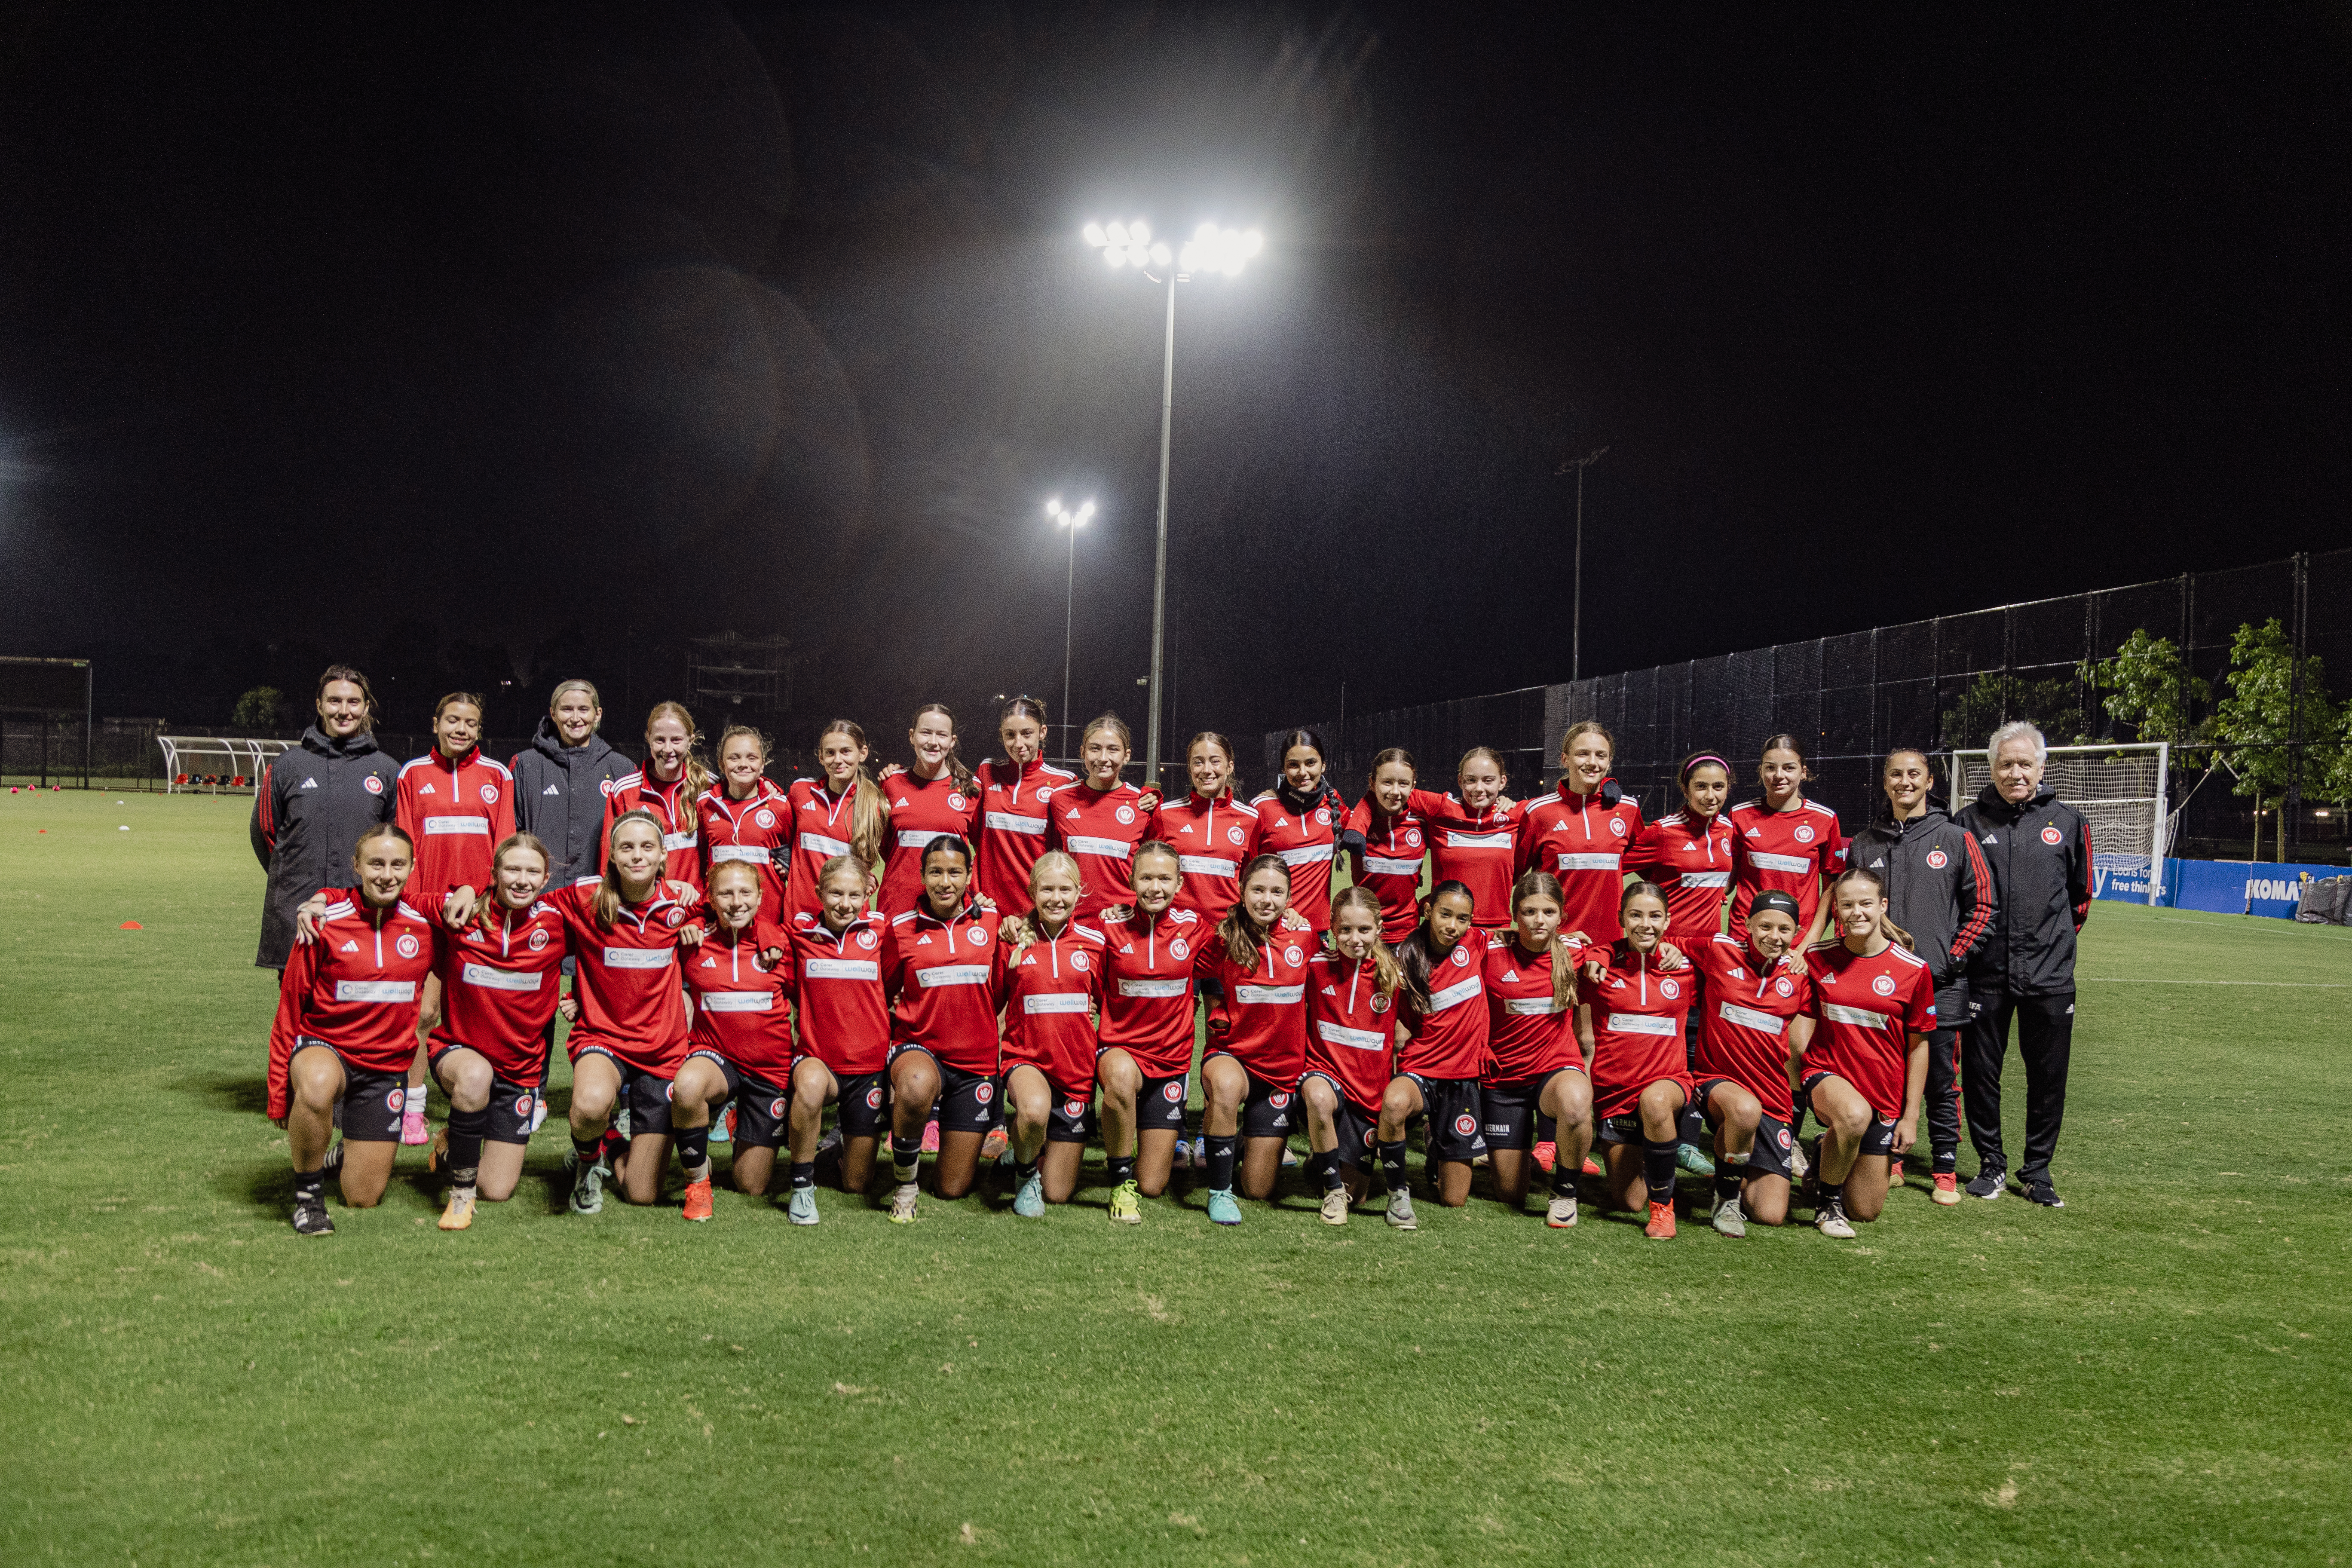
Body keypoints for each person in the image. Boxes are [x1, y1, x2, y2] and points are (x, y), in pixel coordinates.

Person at [1842, 747, 1995, 1202]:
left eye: (1914, 774)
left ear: (1930, 782)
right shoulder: (1865, 843)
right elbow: (1849, 909)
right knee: (1882, 1074)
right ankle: (1889, 1157)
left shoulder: (1954, 837)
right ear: (1885, 781)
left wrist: (1949, 961)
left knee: (1942, 1079)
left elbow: (1984, 907)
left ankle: (1945, 1168)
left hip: (1941, 984)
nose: (1904, 782)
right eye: (1895, 774)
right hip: (1878, 988)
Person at [266, 823, 435, 1236]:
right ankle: (308, 1198)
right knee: (319, 1084)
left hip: (385, 1068)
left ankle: (340, 1151)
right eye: (376, 863)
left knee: (363, 1196)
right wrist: (277, 1093)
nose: (387, 874)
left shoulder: (427, 926)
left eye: (398, 864)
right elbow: (290, 1008)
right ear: (356, 865)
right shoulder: (323, 921)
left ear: (413, 868)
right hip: (327, 1048)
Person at [1955, 720, 2091, 1208]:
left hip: (2050, 978)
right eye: (2006, 763)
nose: (2016, 772)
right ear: (1991, 767)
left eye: (2024, 764)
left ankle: (2038, 1171)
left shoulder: (2069, 822)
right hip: (1984, 975)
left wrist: (2048, 946)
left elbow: (2079, 899)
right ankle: (1991, 1165)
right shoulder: (1966, 823)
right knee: (1981, 1074)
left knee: (2048, 1077)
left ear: (2041, 767)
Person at [545, 809, 705, 1214]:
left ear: (663, 857)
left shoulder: (683, 905)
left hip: (663, 1049)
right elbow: (524, 906)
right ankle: (587, 1164)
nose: (637, 856)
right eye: (626, 847)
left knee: (641, 1193)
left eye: (647, 847)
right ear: (611, 856)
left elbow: (731, 915)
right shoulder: (584, 897)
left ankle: (608, 1142)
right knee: (591, 1102)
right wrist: (463, 893)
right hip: (603, 1037)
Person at [418, 832, 567, 1230]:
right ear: (494, 873)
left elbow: (609, 947)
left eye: (532, 871)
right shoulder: (461, 915)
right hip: (458, 1053)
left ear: (546, 877)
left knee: (498, 1188)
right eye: (512, 869)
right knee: (474, 1075)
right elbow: (398, 898)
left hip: (520, 1071)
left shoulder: (558, 923)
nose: (522, 880)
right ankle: (460, 1198)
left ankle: (453, 1144)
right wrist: (323, 901)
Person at [392, 689, 517, 1144]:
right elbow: (405, 852)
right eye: (453, 720)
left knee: (481, 1013)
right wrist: (424, 904)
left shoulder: (497, 776)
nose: (461, 729)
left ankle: (485, 1101)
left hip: (480, 916)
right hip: (429, 916)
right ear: (436, 723)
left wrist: (482, 897)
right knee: (426, 1013)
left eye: (470, 723)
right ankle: (414, 1105)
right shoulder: (413, 774)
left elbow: (504, 850)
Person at [878, 834, 1010, 1222]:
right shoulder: (901, 927)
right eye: (935, 872)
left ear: (970, 875)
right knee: (917, 1084)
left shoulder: (992, 922)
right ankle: (905, 1184)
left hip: (975, 1062)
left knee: (953, 1189)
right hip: (919, 1048)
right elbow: (883, 991)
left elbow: (1001, 991)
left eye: (955, 872)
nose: (945, 882)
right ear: (922, 876)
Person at [1798, 867, 1935, 1238]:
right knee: (1854, 1115)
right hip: (1826, 1073)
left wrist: (1911, 1116)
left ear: (1882, 906)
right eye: (1847, 905)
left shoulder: (1914, 971)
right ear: (1837, 911)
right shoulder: (1817, 958)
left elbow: (1919, 1048)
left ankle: (1827, 1149)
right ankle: (1827, 1205)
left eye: (1865, 904)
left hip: (1884, 1094)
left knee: (1866, 1210)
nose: (1856, 912)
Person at [1624, 750, 1740, 1182]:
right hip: (1668, 957)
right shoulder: (1663, 832)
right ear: (1685, 790)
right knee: (1670, 1047)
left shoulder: (1731, 830)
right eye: (1701, 787)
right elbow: (1617, 867)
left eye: (1719, 788)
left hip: (1711, 958)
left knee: (1700, 1048)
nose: (1710, 796)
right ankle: (1650, 1132)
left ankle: (1688, 1142)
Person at [251, 664, 398, 972]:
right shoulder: (287, 766)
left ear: (365, 707)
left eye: (353, 702)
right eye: (334, 701)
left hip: (361, 916)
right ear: (319, 705)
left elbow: (398, 846)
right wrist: (293, 875)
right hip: (297, 911)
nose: (344, 711)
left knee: (357, 1012)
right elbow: (265, 834)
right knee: (297, 1014)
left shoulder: (387, 771)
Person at [671, 859, 796, 1220]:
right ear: (710, 898)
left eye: (746, 893)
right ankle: (698, 1184)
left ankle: (740, 1121)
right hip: (716, 1056)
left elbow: (812, 998)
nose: (737, 902)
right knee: (688, 1086)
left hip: (768, 1070)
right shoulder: (691, 940)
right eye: (725, 893)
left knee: (751, 1185)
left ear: (761, 897)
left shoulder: (781, 943)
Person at [1574, 881, 1697, 1239]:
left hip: (1667, 1085)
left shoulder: (1687, 968)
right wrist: (1601, 952)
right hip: (1615, 1095)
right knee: (1629, 1201)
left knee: (1656, 1102)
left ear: (1668, 920)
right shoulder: (1599, 969)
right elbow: (1559, 948)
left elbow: (1724, 950)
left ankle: (1664, 1210)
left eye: (1655, 916)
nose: (1646, 924)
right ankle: (1659, 1162)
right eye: (1636, 915)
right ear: (1621, 919)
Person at [1192, 854, 1311, 1222]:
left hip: (1280, 1070)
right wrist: (1215, 1008)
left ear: (1290, 899)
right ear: (1241, 892)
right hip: (1233, 1058)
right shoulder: (1223, 937)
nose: (1267, 900)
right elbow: (1191, 969)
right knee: (1225, 1088)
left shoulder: (1305, 937)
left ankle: (1238, 1139)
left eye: (1277, 892)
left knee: (1259, 1189)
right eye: (1258, 890)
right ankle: (1219, 1192)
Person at [1687, 890, 1813, 1234]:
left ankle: (1733, 1164)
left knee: (1770, 1213)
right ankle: (1726, 1199)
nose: (1775, 937)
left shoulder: (1799, 976)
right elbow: (1663, 942)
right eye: (1766, 927)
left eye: (1785, 930)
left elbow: (1801, 1045)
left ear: (1796, 933)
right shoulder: (1718, 950)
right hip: (1718, 1082)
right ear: (1747, 924)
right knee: (1743, 1111)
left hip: (1772, 1095)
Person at [1093, 840, 1206, 1222]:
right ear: (1132, 879)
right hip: (1120, 1051)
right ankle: (1120, 1182)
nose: (1154, 888)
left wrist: (1290, 916)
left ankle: (1141, 1163)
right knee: (1122, 1077)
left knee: (1154, 1185)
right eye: (1146, 878)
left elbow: (1241, 944)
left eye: (1163, 879)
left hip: (1171, 1061)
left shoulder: (1194, 928)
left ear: (1179, 883)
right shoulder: (1109, 926)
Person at [781, 855, 893, 1224]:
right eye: (835, 894)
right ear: (819, 893)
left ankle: (831, 1151)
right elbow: (765, 931)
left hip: (869, 1069)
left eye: (854, 895)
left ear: (867, 896)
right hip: (819, 1061)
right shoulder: (801, 930)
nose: (844, 904)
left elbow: (896, 974)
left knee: (857, 1185)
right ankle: (801, 1187)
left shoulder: (881, 930)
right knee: (810, 1087)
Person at [1479, 872, 1592, 1228]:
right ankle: (1520, 1157)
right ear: (1514, 914)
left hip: (1554, 1070)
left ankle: (1565, 1193)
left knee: (1576, 1103)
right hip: (1504, 1081)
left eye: (1549, 912)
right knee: (1511, 1193)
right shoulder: (1490, 951)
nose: (1539, 920)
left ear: (1562, 917)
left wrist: (1667, 947)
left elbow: (1615, 951)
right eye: (1529, 912)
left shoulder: (1575, 952)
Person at [1380, 882, 1492, 1228]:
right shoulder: (1404, 961)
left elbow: (1523, 937)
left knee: (1454, 1200)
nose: (1452, 926)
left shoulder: (1476, 943)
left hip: (1463, 1077)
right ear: (1428, 911)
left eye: (1462, 919)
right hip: (1422, 1067)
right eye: (1445, 915)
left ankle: (1436, 1151)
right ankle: (1398, 1194)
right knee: (1396, 1104)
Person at [998, 852, 1103, 1216]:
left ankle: (1023, 1148)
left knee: (1058, 1193)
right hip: (1025, 1058)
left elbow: (1113, 1001)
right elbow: (989, 1000)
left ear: (1080, 893)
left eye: (1065, 889)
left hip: (1076, 1072)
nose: (1056, 898)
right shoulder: (1011, 941)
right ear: (1032, 891)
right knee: (1034, 1111)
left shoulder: (1096, 943)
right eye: (1047, 889)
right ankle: (1027, 1175)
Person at [1300, 886, 1403, 1224]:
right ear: (1331, 928)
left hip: (1369, 1096)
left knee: (1359, 1195)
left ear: (1379, 927)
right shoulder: (1315, 965)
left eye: (1364, 930)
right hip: (1326, 1078)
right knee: (1316, 1096)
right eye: (1345, 930)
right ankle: (1333, 1194)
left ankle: (1321, 1158)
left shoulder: (1395, 976)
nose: (1354, 939)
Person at [1516, 721, 1645, 945]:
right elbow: (1510, 873)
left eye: (1601, 755)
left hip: (1610, 945)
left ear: (1609, 762)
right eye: (1583, 754)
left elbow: (1653, 864)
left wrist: (1707, 892)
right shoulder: (1539, 812)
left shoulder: (1627, 809)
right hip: (1554, 942)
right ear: (1565, 759)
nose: (1592, 763)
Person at [510, 679, 637, 890]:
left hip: (599, 898)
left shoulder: (623, 769)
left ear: (598, 714)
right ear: (553, 713)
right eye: (567, 709)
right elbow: (511, 834)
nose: (576, 719)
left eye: (584, 710)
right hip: (540, 897)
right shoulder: (526, 765)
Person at [1727, 732, 1845, 946]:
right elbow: (1725, 879)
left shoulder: (1825, 819)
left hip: (1796, 938)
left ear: (1804, 772)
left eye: (1789, 768)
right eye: (1770, 768)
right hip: (1745, 935)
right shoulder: (1739, 815)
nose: (1779, 775)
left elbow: (1831, 890)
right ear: (1761, 771)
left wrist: (1810, 940)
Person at [973, 697, 1076, 918]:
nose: (1018, 743)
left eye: (1027, 734)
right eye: (1010, 735)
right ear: (1002, 734)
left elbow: (1068, 853)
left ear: (1043, 732)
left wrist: (1146, 799)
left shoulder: (1063, 783)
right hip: (987, 907)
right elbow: (968, 829)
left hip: (1037, 912)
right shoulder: (986, 771)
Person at [876, 704, 983, 918]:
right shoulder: (891, 784)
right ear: (912, 736)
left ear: (952, 742)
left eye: (942, 735)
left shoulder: (971, 791)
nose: (933, 742)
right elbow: (884, 847)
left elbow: (983, 851)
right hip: (896, 907)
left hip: (950, 909)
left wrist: (978, 892)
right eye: (926, 733)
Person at [1048, 713, 1156, 921]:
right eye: (1095, 748)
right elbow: (1051, 858)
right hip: (1073, 923)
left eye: (1113, 749)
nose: (1103, 758)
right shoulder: (1060, 800)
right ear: (1083, 752)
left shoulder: (1143, 805)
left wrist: (1133, 908)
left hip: (1124, 924)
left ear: (1127, 756)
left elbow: (1152, 871)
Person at [1250, 728, 1358, 935]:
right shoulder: (1262, 808)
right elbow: (1245, 873)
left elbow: (1366, 819)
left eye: (1311, 763)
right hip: (1273, 929)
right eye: (1293, 765)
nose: (1303, 772)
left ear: (1323, 765)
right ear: (1283, 767)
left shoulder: (1333, 804)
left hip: (1319, 932)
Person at [783, 720, 888, 924]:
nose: (838, 760)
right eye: (830, 753)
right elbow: (780, 837)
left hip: (849, 916)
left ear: (863, 753)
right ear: (821, 757)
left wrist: (869, 877)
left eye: (846, 751)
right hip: (800, 917)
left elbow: (895, 861)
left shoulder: (878, 805)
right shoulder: (801, 792)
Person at [1409, 748, 1525, 930]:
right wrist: (1357, 828)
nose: (1479, 789)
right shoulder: (1441, 809)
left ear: (1502, 782)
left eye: (1488, 781)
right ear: (1460, 781)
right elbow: (1391, 789)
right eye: (1471, 780)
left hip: (1496, 929)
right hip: (1446, 928)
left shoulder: (1517, 814)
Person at [1154, 730, 1263, 922]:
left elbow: (1253, 878)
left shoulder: (1250, 819)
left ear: (1229, 767)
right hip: (1176, 931)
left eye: (1215, 761)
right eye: (1198, 762)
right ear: (1189, 768)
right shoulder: (1166, 814)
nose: (1206, 770)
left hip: (1228, 931)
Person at [601, 701, 710, 890]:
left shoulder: (709, 787)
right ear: (648, 738)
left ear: (690, 740)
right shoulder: (624, 793)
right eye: (660, 740)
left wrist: (769, 786)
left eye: (676, 740)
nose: (668, 749)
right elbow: (608, 864)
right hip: (647, 908)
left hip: (698, 908)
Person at [697, 725, 794, 930]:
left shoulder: (781, 806)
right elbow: (699, 860)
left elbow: (796, 855)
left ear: (762, 765)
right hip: (718, 919)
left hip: (769, 920)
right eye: (734, 758)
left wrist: (788, 865)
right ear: (722, 764)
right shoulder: (705, 804)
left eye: (752, 758)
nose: (743, 764)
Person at [1346, 748, 1428, 943]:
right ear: (1372, 783)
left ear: (1413, 786)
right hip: (1366, 933)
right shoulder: (1353, 822)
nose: (1395, 792)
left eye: (1403, 784)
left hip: (1408, 933)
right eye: (1387, 782)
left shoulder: (1423, 824)